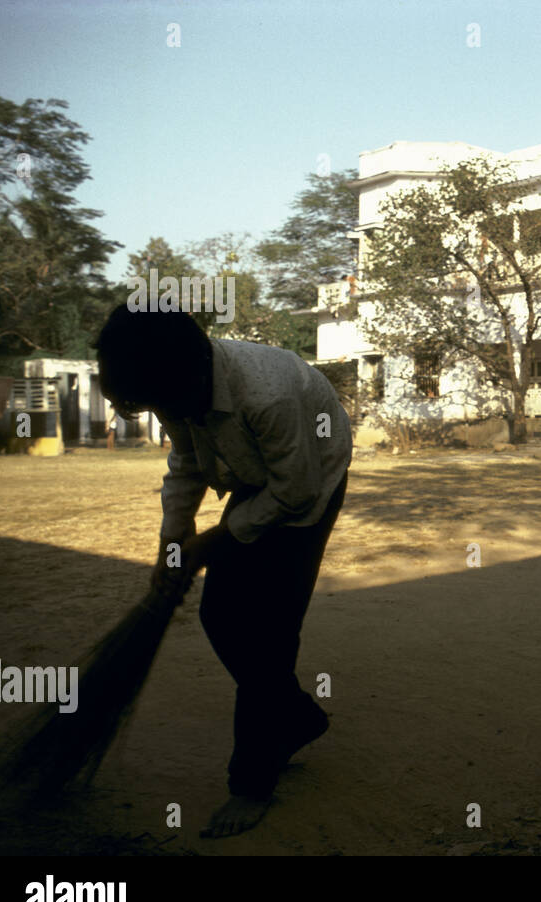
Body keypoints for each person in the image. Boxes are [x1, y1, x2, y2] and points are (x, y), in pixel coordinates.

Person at [95, 304, 353, 837]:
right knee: (220, 615)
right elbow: (188, 461)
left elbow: (295, 491)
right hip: (255, 476)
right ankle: (298, 718)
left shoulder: (268, 395)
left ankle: (252, 783)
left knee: (268, 634)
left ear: (189, 377)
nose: (159, 414)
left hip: (308, 483)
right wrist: (173, 538)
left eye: (158, 404)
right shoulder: (175, 385)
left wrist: (209, 543)